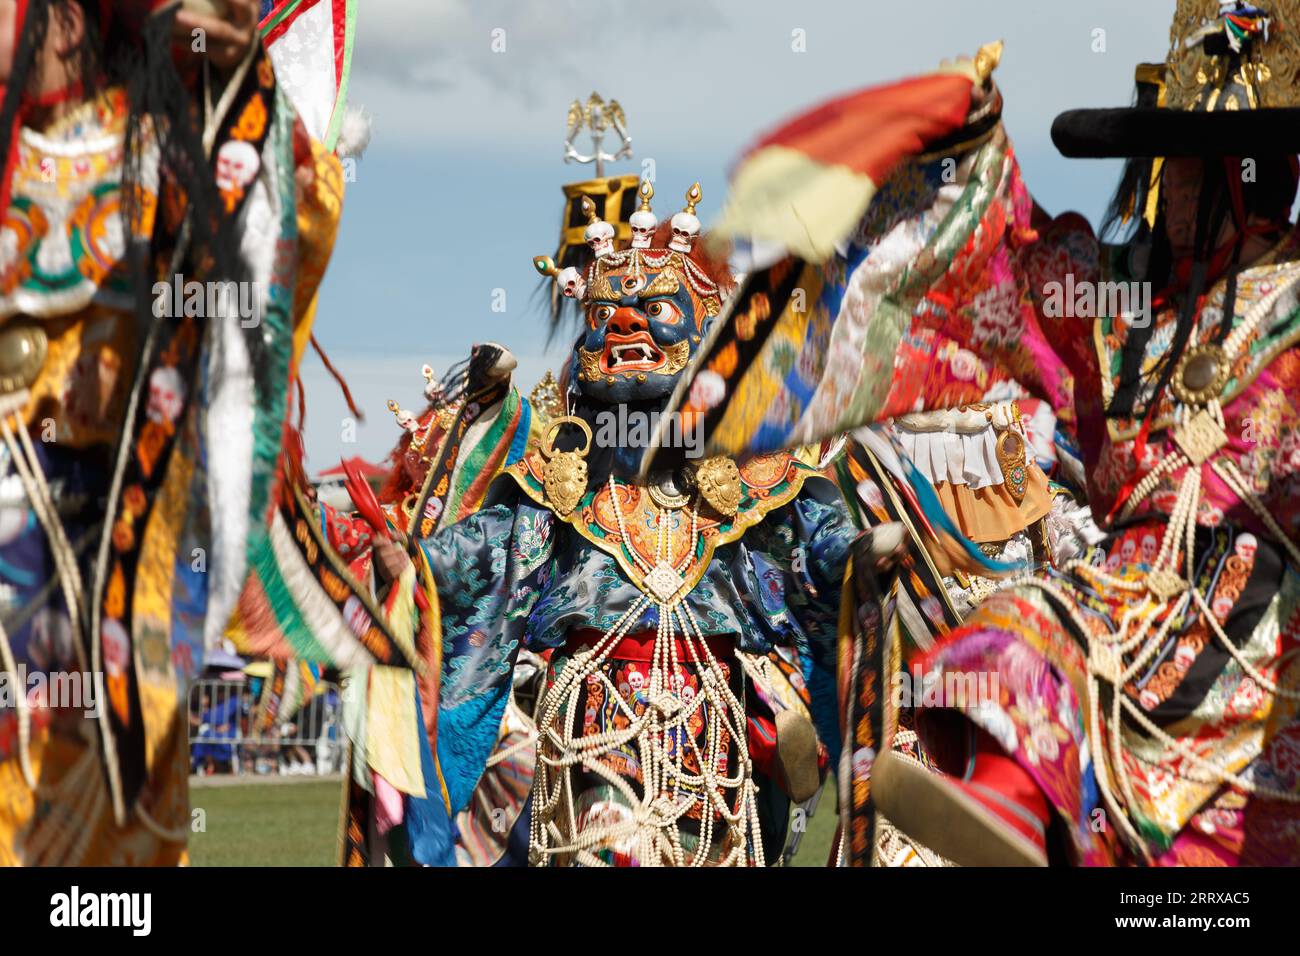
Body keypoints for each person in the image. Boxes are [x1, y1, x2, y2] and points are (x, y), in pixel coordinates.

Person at [670, 0, 1300, 866]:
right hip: (1124, 603)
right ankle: (1008, 817)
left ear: (1256, 176)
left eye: (1196, 169)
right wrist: (962, 147)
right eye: (1173, 167)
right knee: (1022, 626)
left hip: (1267, 626)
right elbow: (1007, 257)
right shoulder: (1120, 301)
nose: (1173, 186)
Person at [0, 0, 346, 864]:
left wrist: (236, 94)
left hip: (99, 611)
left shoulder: (171, 152)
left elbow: (273, 260)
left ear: (67, 24)